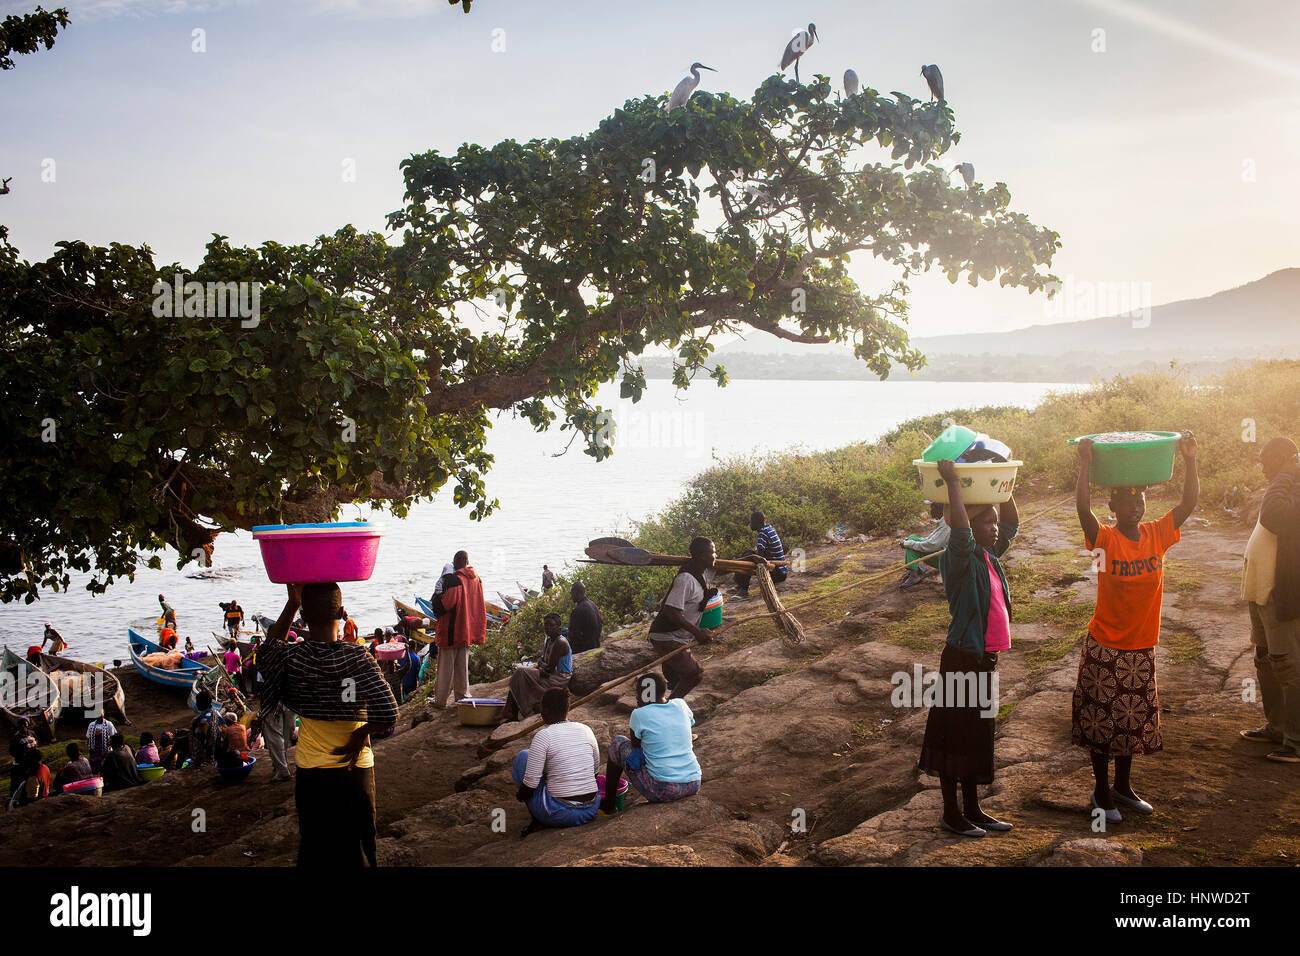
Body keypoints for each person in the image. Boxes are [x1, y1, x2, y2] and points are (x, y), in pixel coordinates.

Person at [1072, 434, 1198, 822]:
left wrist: (1190, 459)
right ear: (1112, 506)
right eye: (1126, 502)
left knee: (1129, 720)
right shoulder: (1104, 539)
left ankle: (1122, 788)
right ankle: (1100, 791)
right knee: (1101, 723)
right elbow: (1081, 508)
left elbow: (1188, 503)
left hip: (1141, 646)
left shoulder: (1156, 535)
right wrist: (1084, 464)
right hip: (1106, 645)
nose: (1134, 507)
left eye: (1139, 501)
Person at [259, 581, 399, 867]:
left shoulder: (294, 657)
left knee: (315, 848)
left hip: (313, 774)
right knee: (359, 848)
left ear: (304, 620)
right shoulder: (358, 657)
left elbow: (268, 652)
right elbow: (388, 712)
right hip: (355, 770)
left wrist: (292, 604)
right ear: (343, 612)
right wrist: (361, 734)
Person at [919, 458, 1020, 838]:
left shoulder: (989, 556)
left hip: (983, 660)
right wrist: (953, 483)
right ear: (970, 526)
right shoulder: (958, 559)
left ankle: (973, 809)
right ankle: (951, 814)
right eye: (986, 522)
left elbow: (1012, 524)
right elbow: (958, 532)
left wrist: (1005, 482)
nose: (994, 528)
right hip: (961, 657)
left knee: (976, 735)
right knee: (954, 738)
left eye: (993, 522)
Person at [1240, 436, 1300, 763]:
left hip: (1283, 591)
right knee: (1265, 659)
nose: (1261, 467)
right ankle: (1277, 727)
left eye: (1266, 461)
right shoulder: (1288, 482)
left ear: (1283, 460)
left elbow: (1274, 516)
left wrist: (1288, 472)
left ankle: (1296, 741)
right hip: (1263, 589)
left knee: (1288, 665)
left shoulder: (1294, 484)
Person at [602, 673, 701, 813]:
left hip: (664, 789)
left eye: (638, 693)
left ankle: (608, 805)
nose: (636, 697)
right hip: (694, 782)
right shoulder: (681, 704)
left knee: (618, 743)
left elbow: (636, 746)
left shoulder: (639, 714)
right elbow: (689, 725)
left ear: (643, 695)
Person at [511, 689, 600, 835]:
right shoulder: (586, 730)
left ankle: (538, 820)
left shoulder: (543, 736)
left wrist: (520, 796)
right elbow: (594, 773)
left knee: (523, 757)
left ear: (545, 710)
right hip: (590, 809)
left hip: (560, 814)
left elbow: (530, 786)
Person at [647, 537, 717, 700]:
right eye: (712, 552)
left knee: (676, 679)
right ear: (701, 556)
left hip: (680, 637)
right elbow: (671, 611)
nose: (715, 555)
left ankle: (668, 702)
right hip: (667, 637)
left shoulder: (703, 572)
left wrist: (750, 558)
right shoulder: (685, 579)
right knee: (694, 674)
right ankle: (671, 709)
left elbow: (729, 567)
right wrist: (697, 632)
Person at [430, 551, 488, 708]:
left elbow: (444, 606)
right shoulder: (477, 579)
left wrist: (436, 597)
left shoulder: (454, 581)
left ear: (455, 563)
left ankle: (440, 701)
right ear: (467, 562)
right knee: (462, 666)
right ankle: (462, 696)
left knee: (445, 669)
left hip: (452, 630)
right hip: (468, 629)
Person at [500, 614, 572, 723]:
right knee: (520, 674)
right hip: (548, 672)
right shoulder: (549, 639)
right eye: (546, 626)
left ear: (558, 626)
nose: (548, 629)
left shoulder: (560, 642)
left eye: (551, 626)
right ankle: (512, 712)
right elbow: (542, 661)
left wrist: (539, 667)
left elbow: (549, 669)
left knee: (521, 673)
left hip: (559, 677)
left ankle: (510, 711)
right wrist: (540, 666)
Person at [734, 511, 789, 597]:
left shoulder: (763, 533)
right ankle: (740, 587)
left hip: (777, 572)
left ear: (756, 522)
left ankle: (743, 589)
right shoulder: (769, 528)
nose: (750, 524)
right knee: (748, 553)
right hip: (782, 571)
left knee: (748, 557)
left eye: (751, 521)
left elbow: (759, 556)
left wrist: (748, 557)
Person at [900, 502, 951, 590]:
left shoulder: (946, 524)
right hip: (943, 555)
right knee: (912, 538)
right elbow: (930, 539)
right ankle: (916, 570)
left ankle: (914, 575)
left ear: (939, 509)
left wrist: (907, 544)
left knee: (912, 545)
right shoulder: (943, 521)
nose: (930, 511)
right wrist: (909, 541)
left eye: (932, 508)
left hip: (947, 561)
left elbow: (931, 545)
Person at [190, 690, 224, 768]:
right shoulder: (217, 714)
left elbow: (198, 742)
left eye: (197, 702)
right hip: (218, 754)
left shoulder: (198, 720)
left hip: (206, 759)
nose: (196, 704)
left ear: (200, 703)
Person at [567, 581, 602, 653]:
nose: (571, 596)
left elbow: (572, 634)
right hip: (596, 644)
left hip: (585, 648)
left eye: (572, 593)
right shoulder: (592, 604)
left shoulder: (578, 610)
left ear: (577, 593)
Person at [8, 718, 37, 798]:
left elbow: (36, 745)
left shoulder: (32, 733)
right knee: (17, 783)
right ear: (18, 726)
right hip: (20, 764)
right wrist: (22, 756)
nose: (24, 726)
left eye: (25, 725)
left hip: (31, 763)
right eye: (22, 725)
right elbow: (12, 751)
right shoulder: (16, 738)